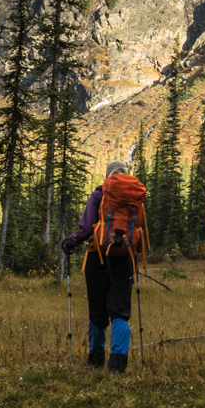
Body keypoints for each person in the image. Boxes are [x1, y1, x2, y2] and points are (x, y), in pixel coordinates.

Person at [61, 160, 147, 373]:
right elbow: (140, 235)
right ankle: (117, 364)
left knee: (97, 309)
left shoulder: (99, 195)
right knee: (120, 312)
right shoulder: (136, 199)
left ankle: (96, 358)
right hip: (125, 259)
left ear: (108, 175)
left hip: (97, 257)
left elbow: (86, 229)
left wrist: (69, 243)